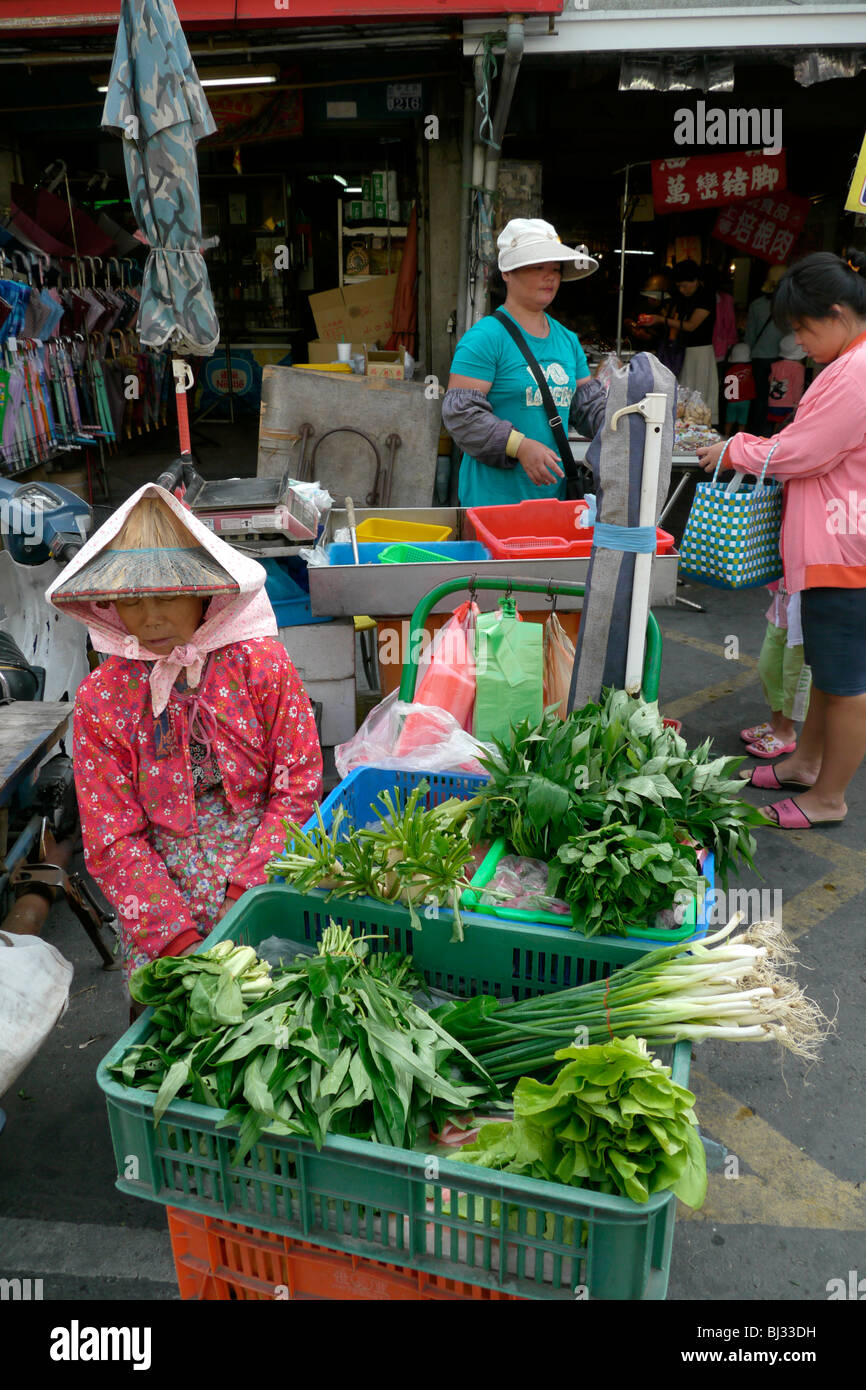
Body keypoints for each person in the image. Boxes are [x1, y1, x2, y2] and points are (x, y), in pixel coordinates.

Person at [46, 484, 323, 988]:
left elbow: (298, 784)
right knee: (176, 1025)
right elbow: (112, 836)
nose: (149, 618)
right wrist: (177, 940)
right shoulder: (101, 699)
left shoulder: (259, 664)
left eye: (169, 595)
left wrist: (250, 893)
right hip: (160, 899)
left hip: (266, 875)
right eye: (131, 600)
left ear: (205, 593)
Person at [697, 247, 866, 829]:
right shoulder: (850, 362)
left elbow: (801, 452)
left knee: (845, 684)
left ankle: (828, 798)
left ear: (839, 312)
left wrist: (732, 449)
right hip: (839, 547)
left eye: (803, 327)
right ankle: (807, 766)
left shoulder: (858, 370)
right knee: (829, 671)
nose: (797, 341)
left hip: (847, 550)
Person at [443, 218, 606, 507]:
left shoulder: (567, 340)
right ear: (506, 272)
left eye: (555, 269)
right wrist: (519, 446)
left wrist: (626, 420)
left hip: (554, 500)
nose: (550, 277)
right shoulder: (484, 338)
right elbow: (461, 414)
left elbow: (587, 407)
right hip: (492, 502)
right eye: (537, 267)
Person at [741, 583, 811, 758]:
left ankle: (786, 731)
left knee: (794, 677)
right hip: (780, 613)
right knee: (768, 668)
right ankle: (776, 721)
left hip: (804, 621)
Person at [667, 259, 719, 424]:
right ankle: (684, 423)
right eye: (679, 286)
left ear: (695, 280)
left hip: (701, 351)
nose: (682, 290)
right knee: (685, 389)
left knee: (700, 390)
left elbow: (691, 326)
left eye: (685, 285)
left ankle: (701, 425)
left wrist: (661, 319)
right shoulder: (684, 299)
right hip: (685, 351)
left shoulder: (706, 296)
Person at [745, 263, 787, 431]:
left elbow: (750, 335)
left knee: (759, 398)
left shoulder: (756, 305)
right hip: (783, 359)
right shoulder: (788, 306)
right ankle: (771, 433)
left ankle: (756, 432)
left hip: (759, 357)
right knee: (779, 398)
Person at [766, 332, 806, 433]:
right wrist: (797, 403)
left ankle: (772, 442)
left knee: (776, 426)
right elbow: (798, 386)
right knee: (787, 428)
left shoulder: (775, 365)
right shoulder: (798, 368)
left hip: (774, 402)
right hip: (789, 404)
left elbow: (770, 380)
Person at [723, 342, 756, 438]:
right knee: (742, 421)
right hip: (745, 400)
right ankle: (740, 438)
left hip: (732, 401)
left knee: (729, 420)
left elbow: (726, 385)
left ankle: (726, 436)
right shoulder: (750, 369)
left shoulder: (729, 370)